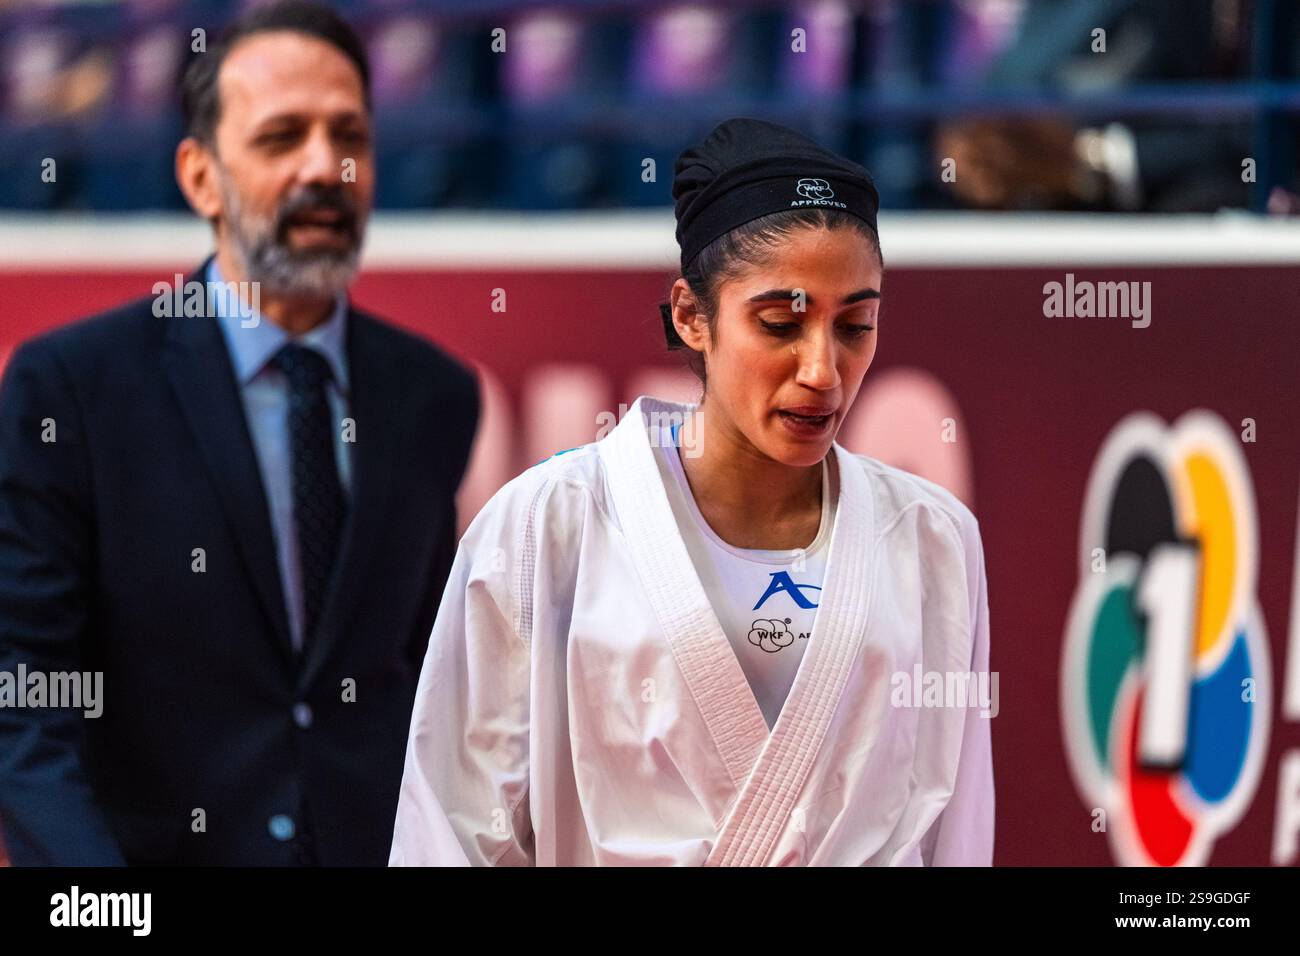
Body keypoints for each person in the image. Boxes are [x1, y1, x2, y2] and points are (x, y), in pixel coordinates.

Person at [389, 118, 992, 866]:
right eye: (780, 324)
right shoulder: (546, 526)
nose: (823, 370)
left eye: (857, 325)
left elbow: (957, 830)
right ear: (690, 316)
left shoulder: (933, 537)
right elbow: (451, 832)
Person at [0, 1, 479, 865]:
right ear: (199, 177)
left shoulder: (434, 395)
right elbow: (25, 696)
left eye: (349, 137)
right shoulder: (70, 387)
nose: (322, 168)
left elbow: (425, 688)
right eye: (280, 137)